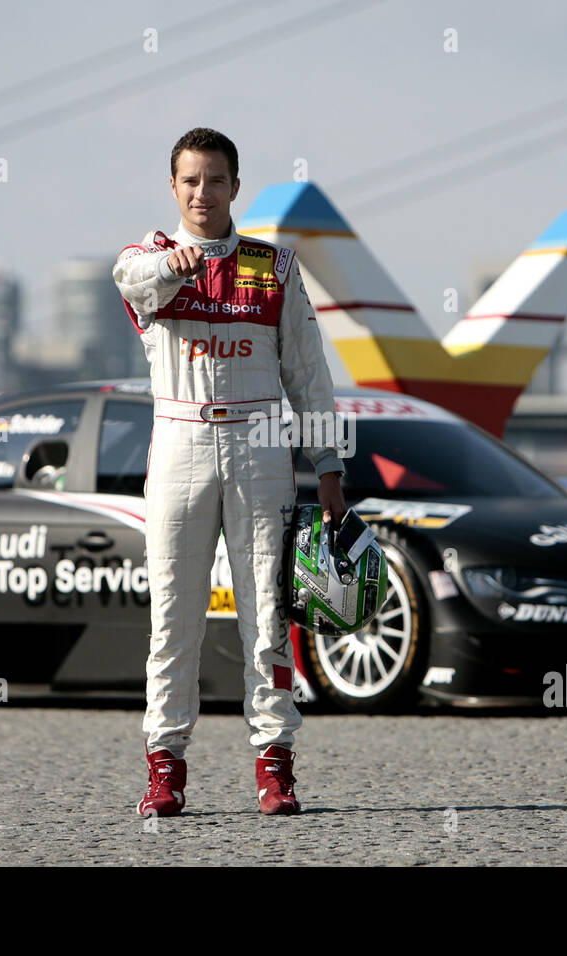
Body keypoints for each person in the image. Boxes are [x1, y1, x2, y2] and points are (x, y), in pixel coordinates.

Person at [112, 127, 345, 816]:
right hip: (179, 443)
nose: (202, 192)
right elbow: (129, 278)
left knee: (268, 617)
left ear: (236, 186)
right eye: (189, 180)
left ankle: (275, 766)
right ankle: (165, 769)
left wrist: (329, 466)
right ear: (173, 188)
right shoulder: (148, 261)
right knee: (172, 619)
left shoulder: (273, 267)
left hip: (260, 445)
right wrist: (174, 267)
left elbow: (308, 375)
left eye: (215, 179)